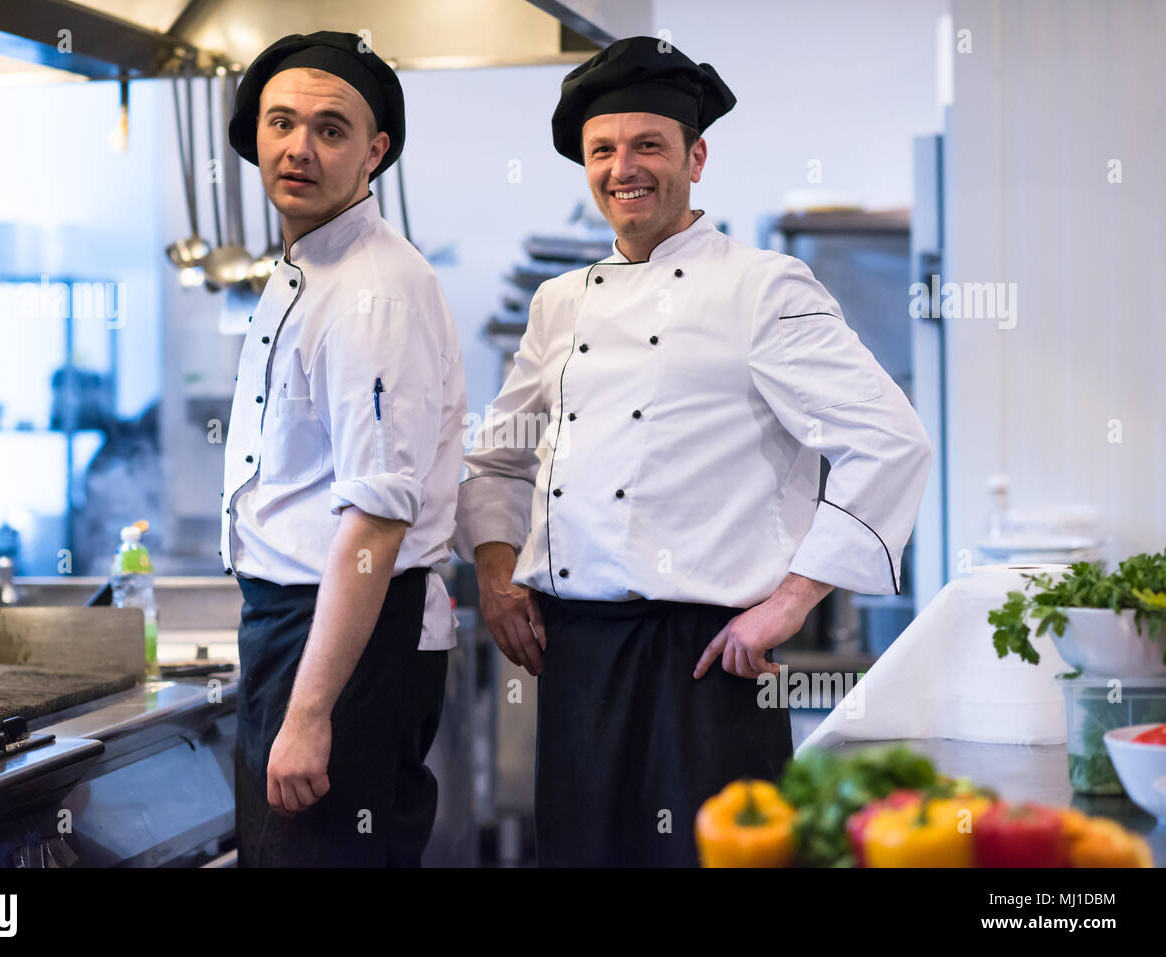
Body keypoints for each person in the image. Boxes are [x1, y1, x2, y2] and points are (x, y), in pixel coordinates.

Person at [454, 36, 932, 866]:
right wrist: (497, 577)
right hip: (575, 656)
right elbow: (496, 459)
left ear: (695, 156)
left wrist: (789, 601)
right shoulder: (559, 303)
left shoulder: (763, 286)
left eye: (648, 145)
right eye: (603, 150)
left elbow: (889, 440)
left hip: (705, 664)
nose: (623, 168)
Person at [221, 31, 465, 866]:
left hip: (351, 636)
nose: (299, 147)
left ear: (375, 152)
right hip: (303, 625)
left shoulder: (371, 292)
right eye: (281, 122)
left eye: (331, 129)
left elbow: (374, 524)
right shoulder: (307, 268)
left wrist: (309, 709)